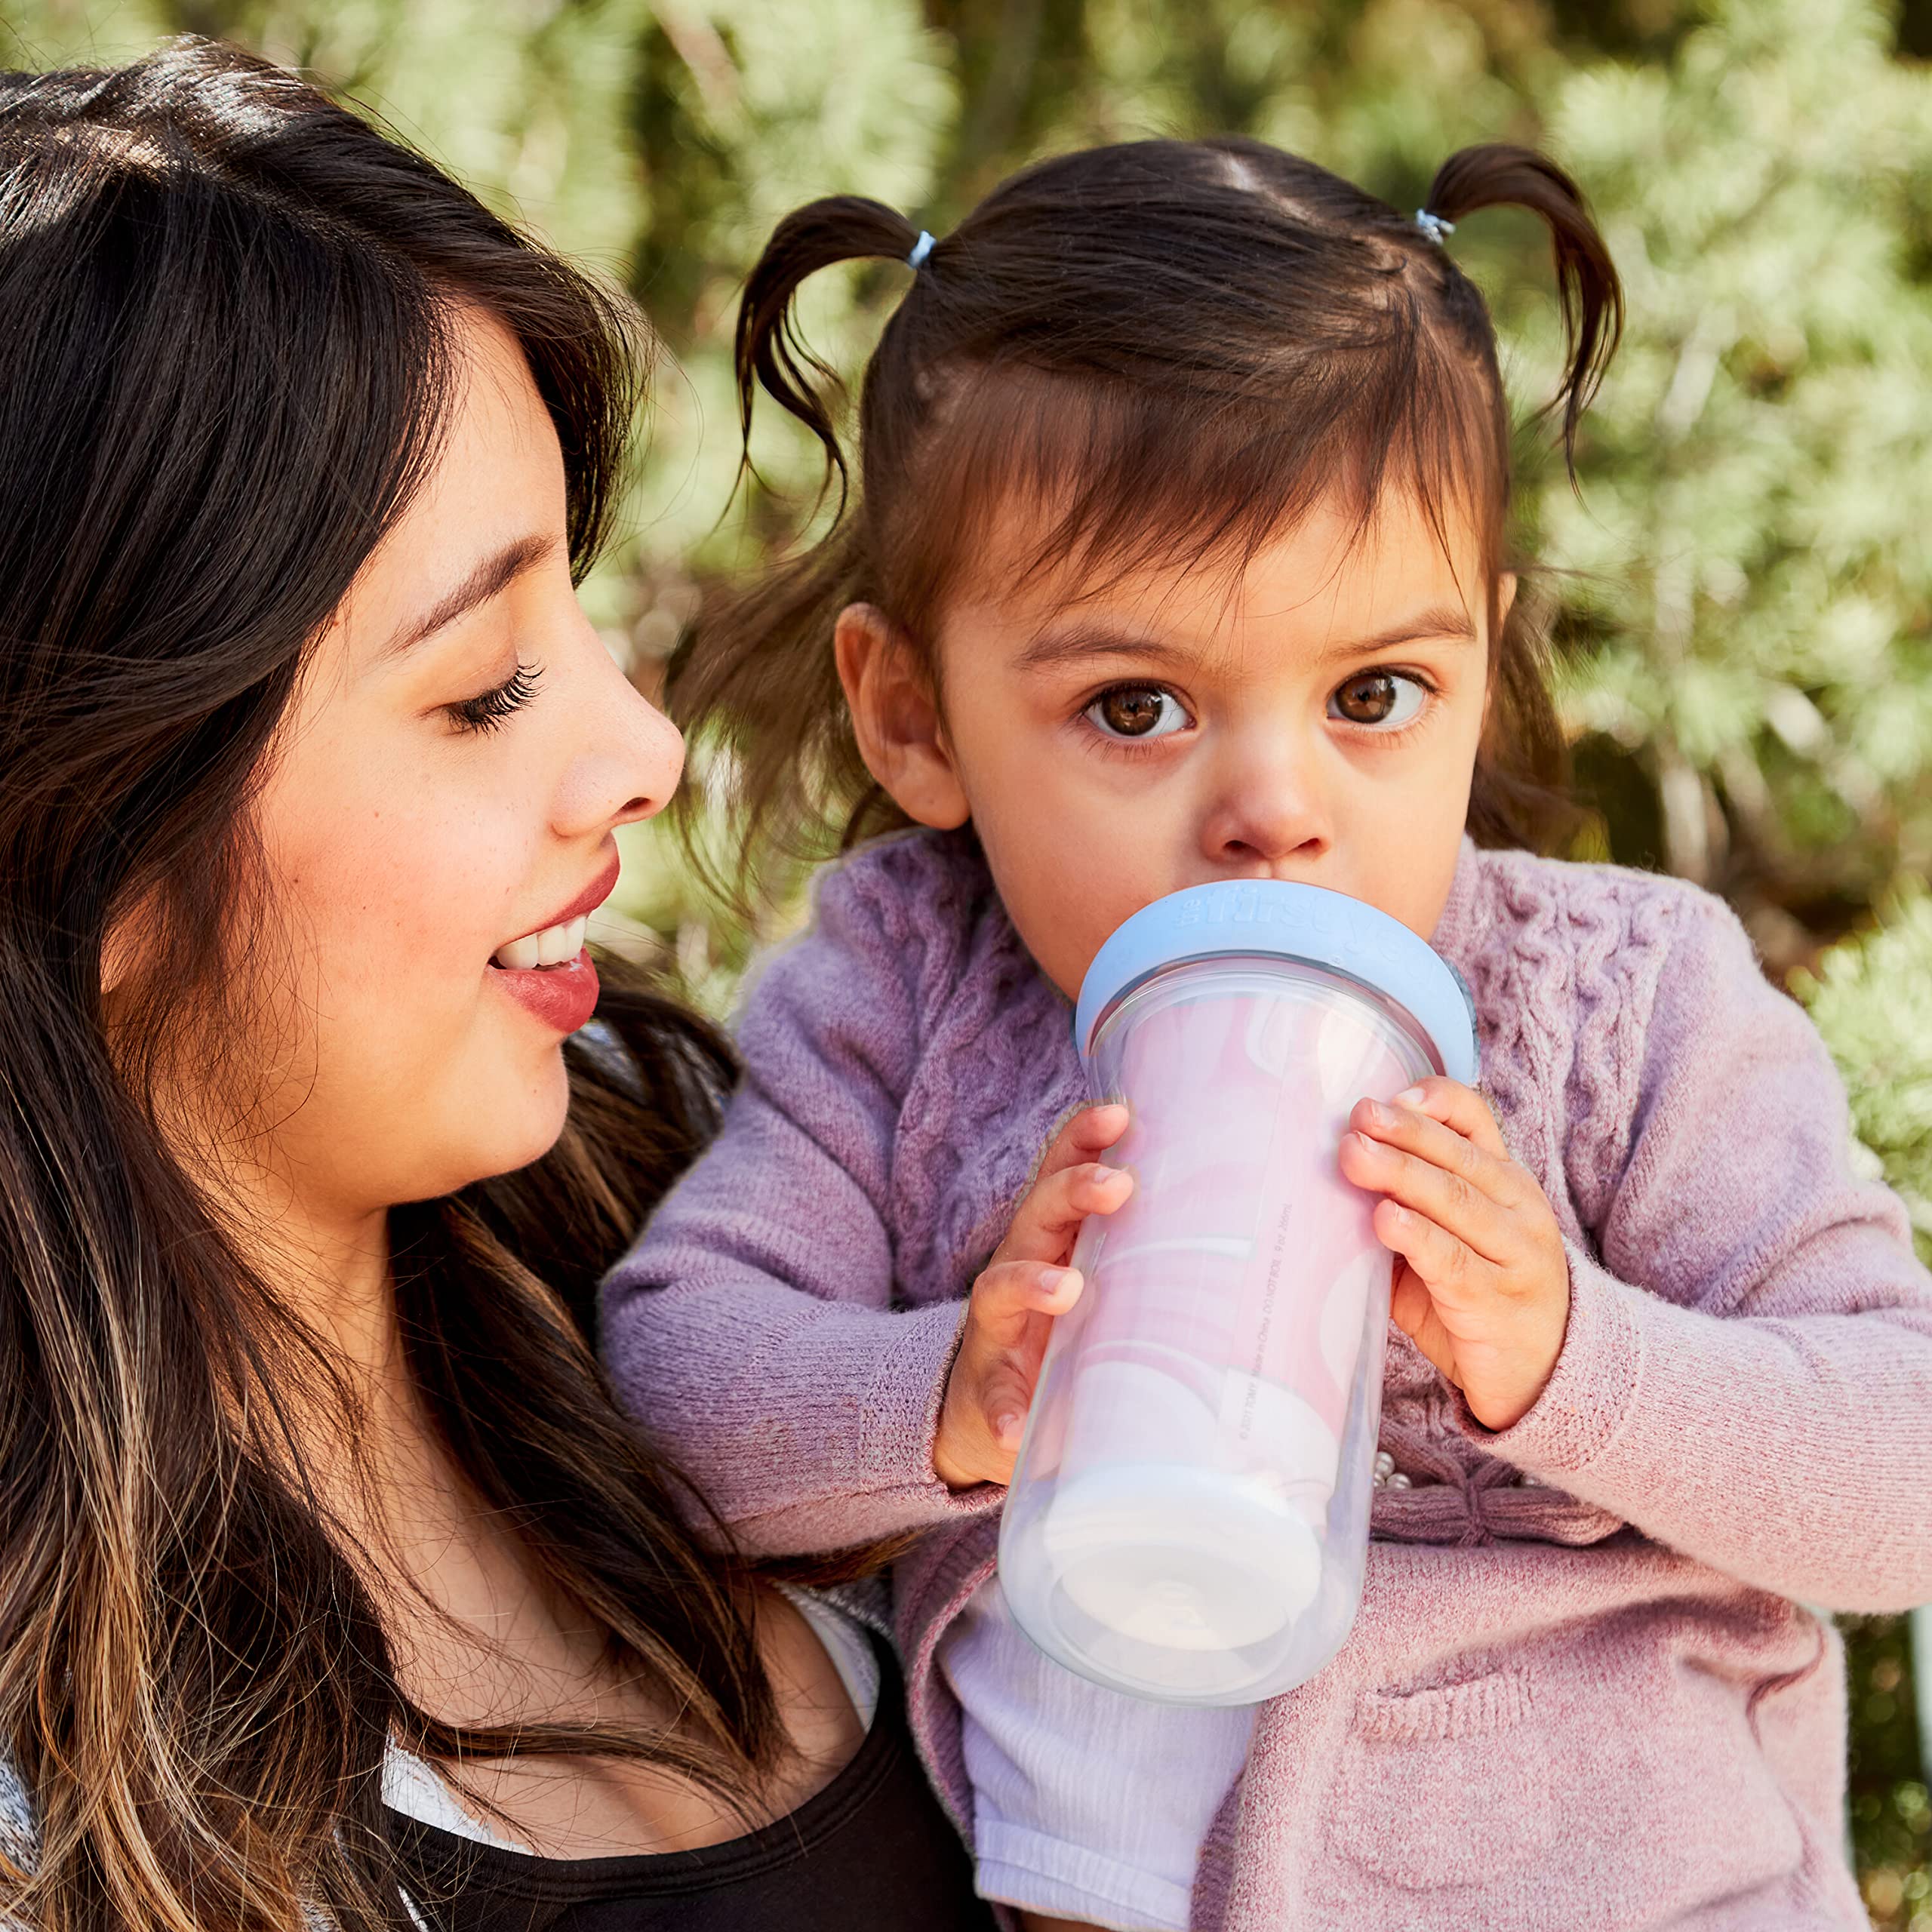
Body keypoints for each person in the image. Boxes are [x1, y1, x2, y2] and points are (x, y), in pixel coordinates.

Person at [601, 137, 1932, 1930]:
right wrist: (944, 1392)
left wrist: (1565, 1357)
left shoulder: (1622, 1003)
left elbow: (1896, 1464)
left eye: (1375, 694)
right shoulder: (903, 992)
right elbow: (675, 1392)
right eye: (1133, 705)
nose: (1273, 809)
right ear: (911, 716)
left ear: (1482, 662)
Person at [0, 38, 995, 1932]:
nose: (643, 748)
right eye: (480, 689)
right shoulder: (62, 1829)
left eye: (581, 613)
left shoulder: (782, 1225)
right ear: (87, 833)